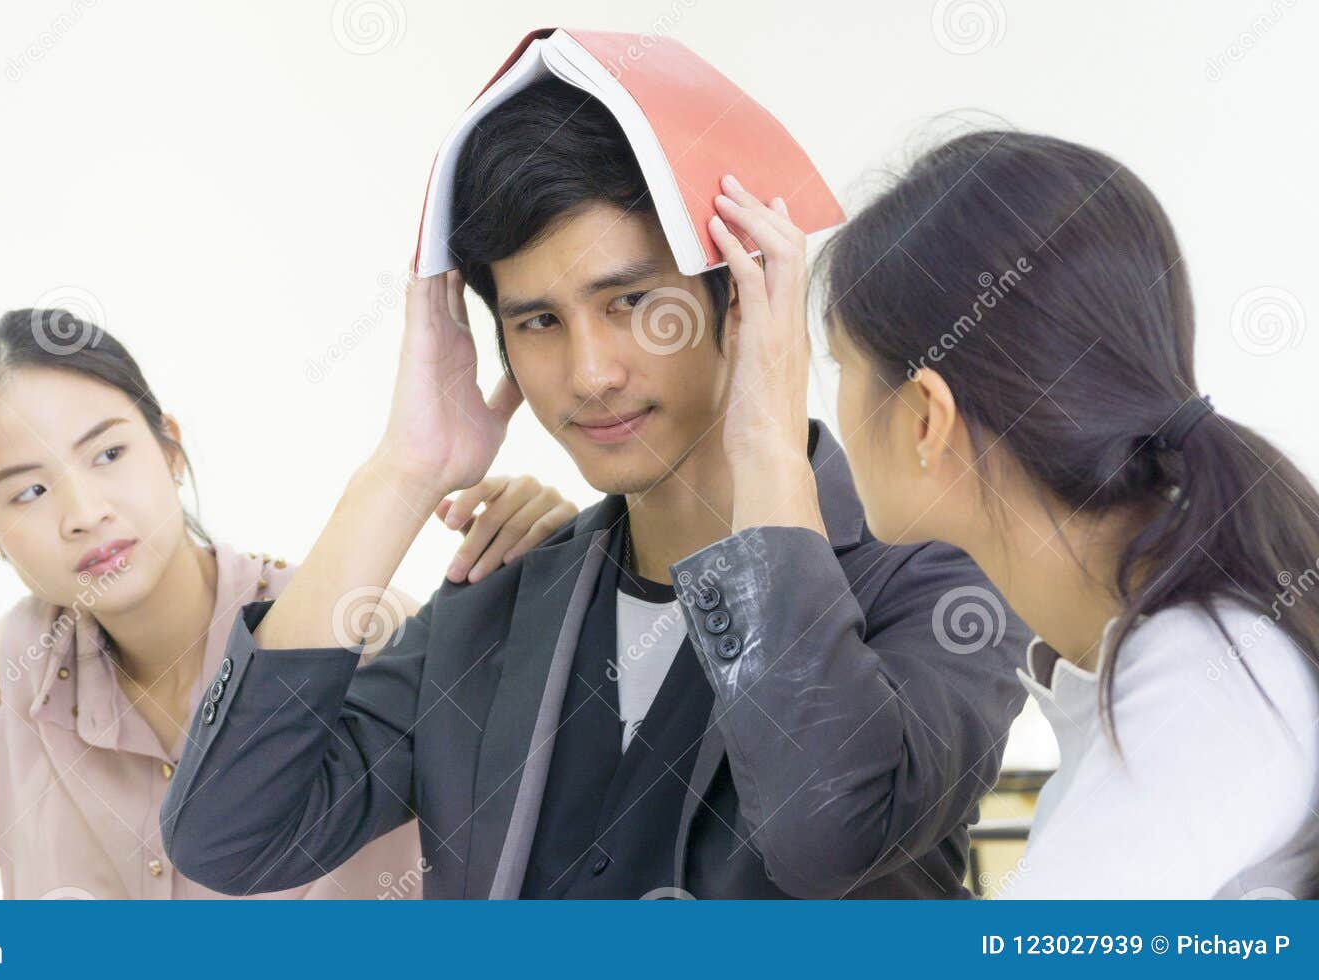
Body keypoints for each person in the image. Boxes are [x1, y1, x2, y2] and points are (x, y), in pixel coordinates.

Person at [161, 80, 1029, 899]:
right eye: (538, 322)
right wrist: (402, 472)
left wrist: (769, 445)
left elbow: (829, 835)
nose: (590, 373)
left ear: (740, 297)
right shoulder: (492, 606)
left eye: (632, 303)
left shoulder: (937, 580)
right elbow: (230, 834)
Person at [0, 309, 577, 899]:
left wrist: (550, 559)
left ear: (169, 451)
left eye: (108, 454)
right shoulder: (19, 665)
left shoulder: (355, 627)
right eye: (29, 491)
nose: (84, 510)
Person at [815, 129, 1319, 897]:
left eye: (841, 366)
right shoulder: (1176, 653)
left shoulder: (1206, 675)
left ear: (927, 417)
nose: (833, 408)